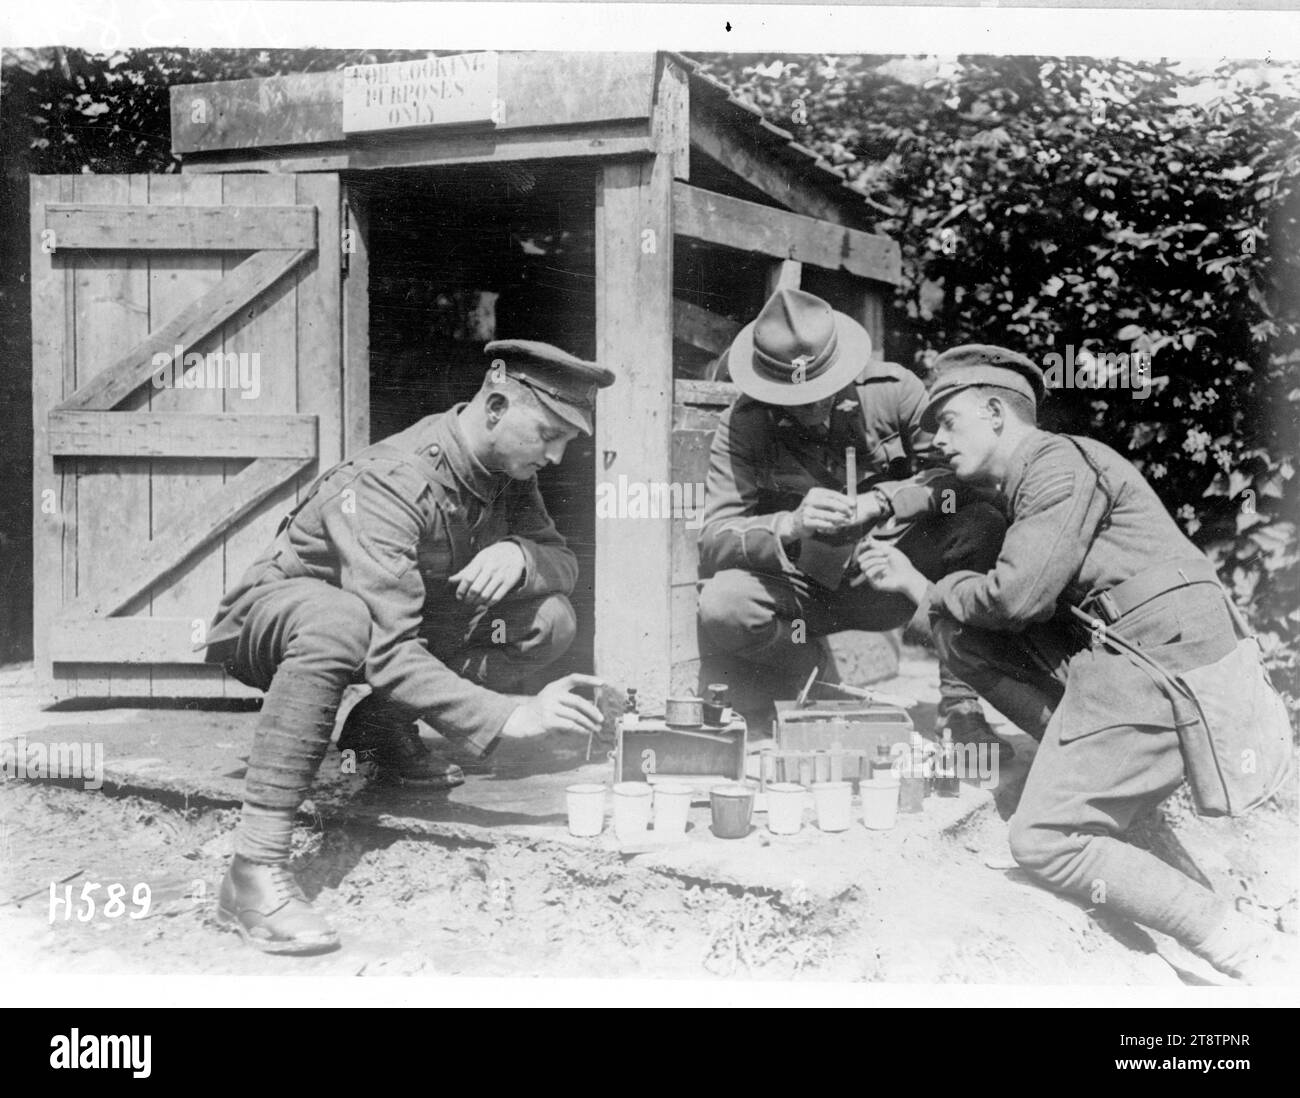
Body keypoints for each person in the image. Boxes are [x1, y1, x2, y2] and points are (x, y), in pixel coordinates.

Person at [856, 343, 1295, 983]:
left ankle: (1238, 942)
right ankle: (1084, 762)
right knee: (962, 639)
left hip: (1160, 662)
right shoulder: (1032, 469)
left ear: (997, 411)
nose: (938, 443)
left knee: (1042, 841)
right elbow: (940, 493)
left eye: (948, 424)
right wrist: (888, 509)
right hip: (1137, 649)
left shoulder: (1056, 468)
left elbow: (1018, 597)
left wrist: (925, 590)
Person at [203, 340, 612, 954]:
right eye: (549, 434)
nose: (555, 456)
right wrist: (513, 716)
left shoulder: (507, 473)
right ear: (496, 405)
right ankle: (252, 871)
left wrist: (520, 554)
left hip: (383, 627)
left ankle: (381, 728)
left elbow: (563, 561)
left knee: (546, 619)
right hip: (277, 623)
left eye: (566, 442)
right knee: (340, 619)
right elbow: (389, 652)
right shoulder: (391, 481)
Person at [696, 288, 1009, 754]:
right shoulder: (744, 424)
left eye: (822, 392)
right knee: (724, 606)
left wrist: (882, 501)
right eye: (795, 399)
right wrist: (790, 524)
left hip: (893, 581)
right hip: (804, 592)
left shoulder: (893, 391)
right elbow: (715, 538)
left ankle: (961, 707)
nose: (813, 410)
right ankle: (809, 671)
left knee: (980, 525)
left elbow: (960, 479)